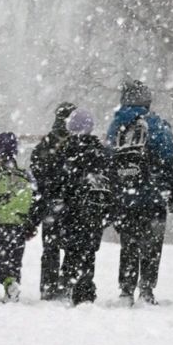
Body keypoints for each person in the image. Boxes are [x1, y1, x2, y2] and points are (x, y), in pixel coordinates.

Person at [106, 79, 173, 306]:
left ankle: (126, 290)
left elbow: (109, 160)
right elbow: (170, 159)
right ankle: (147, 289)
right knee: (152, 244)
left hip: (125, 197)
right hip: (153, 195)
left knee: (128, 243)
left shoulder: (116, 126)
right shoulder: (157, 124)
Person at [50, 110, 117, 306]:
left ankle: (70, 282)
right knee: (88, 252)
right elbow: (110, 180)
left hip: (70, 211)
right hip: (93, 212)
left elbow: (57, 182)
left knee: (72, 250)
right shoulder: (99, 151)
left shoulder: (65, 151)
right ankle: (86, 286)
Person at [0, 132, 36, 303]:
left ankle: (8, 283)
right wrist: (30, 222)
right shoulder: (23, 173)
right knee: (14, 259)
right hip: (18, 223)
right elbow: (34, 198)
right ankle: (13, 285)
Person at [28, 102, 77, 300]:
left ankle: (48, 286)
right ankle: (67, 283)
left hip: (49, 203)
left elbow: (35, 168)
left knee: (50, 247)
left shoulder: (46, 143)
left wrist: (45, 190)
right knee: (72, 246)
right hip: (72, 202)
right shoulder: (76, 142)